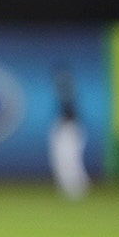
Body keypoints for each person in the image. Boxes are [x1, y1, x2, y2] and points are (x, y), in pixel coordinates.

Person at [49, 65, 90, 200]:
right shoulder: (64, 91)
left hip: (71, 127)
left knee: (71, 159)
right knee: (61, 159)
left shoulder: (69, 90)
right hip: (65, 126)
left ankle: (78, 188)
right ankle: (70, 188)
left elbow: (70, 111)